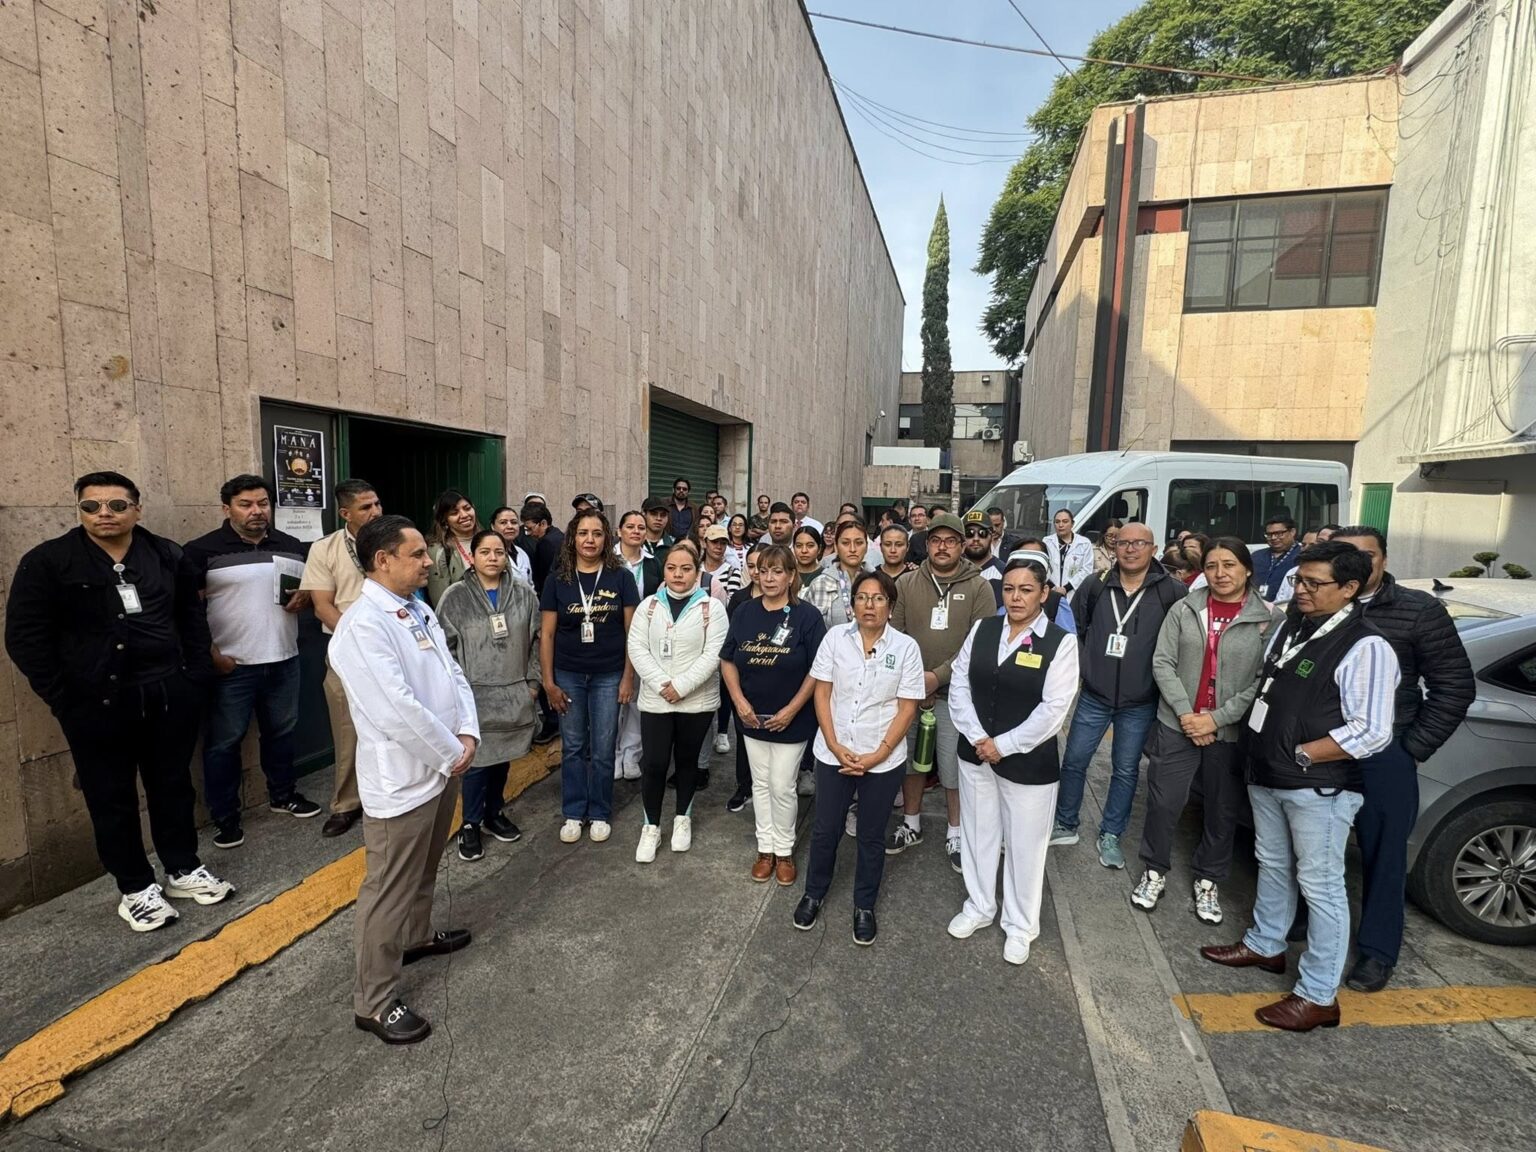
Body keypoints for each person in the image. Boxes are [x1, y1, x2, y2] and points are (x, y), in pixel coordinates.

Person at [6, 471, 233, 931]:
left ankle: (182, 868)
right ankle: (134, 887)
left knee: (172, 785)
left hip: (169, 694)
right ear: (79, 510)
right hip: (95, 704)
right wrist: (64, 698)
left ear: (137, 509)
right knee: (111, 798)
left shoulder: (167, 555)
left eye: (115, 505)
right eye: (91, 506)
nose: (103, 514)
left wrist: (193, 679)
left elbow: (191, 619)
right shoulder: (49, 562)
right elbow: (26, 639)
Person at [1202, 541, 1399, 1033]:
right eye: (1299, 580)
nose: (1302, 590)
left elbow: (1372, 730)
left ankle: (1317, 996)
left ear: (1350, 588)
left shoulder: (1366, 645)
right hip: (1267, 774)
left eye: (1315, 583)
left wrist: (1305, 754)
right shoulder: (1295, 624)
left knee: (1321, 886)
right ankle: (1266, 944)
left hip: (1318, 787)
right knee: (1272, 863)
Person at [328, 515, 479, 1045]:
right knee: (388, 889)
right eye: (416, 554)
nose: (426, 562)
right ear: (383, 560)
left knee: (424, 869)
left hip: (442, 766)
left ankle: (415, 938)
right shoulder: (362, 628)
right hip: (405, 781)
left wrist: (468, 732)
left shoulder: (415, 608)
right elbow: (396, 710)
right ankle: (374, 1001)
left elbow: (451, 672)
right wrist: (451, 753)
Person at [1330, 526, 1475, 992]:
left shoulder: (1419, 610)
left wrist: (1410, 749)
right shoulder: (1324, 604)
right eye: (1346, 556)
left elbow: (1454, 688)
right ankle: (1303, 928)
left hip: (1383, 753)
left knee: (1383, 856)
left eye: (1366, 555)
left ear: (1384, 560)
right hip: (1328, 750)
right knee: (1316, 849)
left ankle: (1376, 952)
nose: (1358, 563)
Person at [1132, 537, 1275, 923]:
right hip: (1177, 724)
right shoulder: (1185, 608)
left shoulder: (1267, 619)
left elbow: (1262, 680)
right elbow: (1162, 662)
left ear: (1247, 569)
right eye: (1212, 565)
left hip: (1227, 731)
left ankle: (1208, 879)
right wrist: (1187, 715)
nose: (1220, 573)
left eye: (1229, 565)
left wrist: (1216, 719)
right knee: (1164, 802)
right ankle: (1153, 869)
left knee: (1222, 808)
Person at [947, 556, 1080, 966]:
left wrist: (1002, 745)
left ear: (1043, 593)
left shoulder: (1061, 642)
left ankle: (1021, 925)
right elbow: (959, 684)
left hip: (1027, 764)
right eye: (1008, 588)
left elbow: (1053, 710)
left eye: (1026, 589)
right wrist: (978, 738)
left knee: (1024, 846)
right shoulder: (983, 630)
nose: (1016, 596)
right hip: (976, 754)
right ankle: (980, 905)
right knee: (978, 832)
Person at [182, 474, 320, 850]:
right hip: (232, 666)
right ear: (226, 509)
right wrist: (213, 656)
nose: (257, 511)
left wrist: (305, 597)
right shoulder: (201, 550)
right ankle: (225, 817)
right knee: (224, 743)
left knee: (281, 732)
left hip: (284, 659)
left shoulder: (291, 546)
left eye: (263, 503)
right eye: (246, 504)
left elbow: (304, 593)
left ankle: (283, 795)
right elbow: (187, 611)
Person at [794, 570, 925, 944]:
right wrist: (835, 747)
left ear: (891, 605)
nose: (870, 605)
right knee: (825, 829)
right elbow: (822, 693)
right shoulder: (836, 638)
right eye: (863, 597)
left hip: (881, 758)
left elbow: (906, 707)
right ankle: (814, 893)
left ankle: (864, 904)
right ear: (852, 604)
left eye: (879, 598)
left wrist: (877, 754)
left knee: (870, 834)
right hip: (834, 751)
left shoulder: (905, 648)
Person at [1050, 522, 1188, 868]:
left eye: (1139, 543)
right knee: (1074, 761)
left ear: (1153, 549)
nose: (1129, 549)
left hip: (1139, 701)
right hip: (1094, 695)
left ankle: (1111, 833)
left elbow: (1179, 643)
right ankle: (1066, 822)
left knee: (1125, 770)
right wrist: (1087, 665)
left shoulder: (1171, 591)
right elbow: (1076, 628)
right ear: (1113, 547)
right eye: (1122, 542)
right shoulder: (1095, 585)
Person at [890, 513, 997, 871]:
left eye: (951, 540)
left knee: (953, 767)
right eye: (936, 540)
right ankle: (911, 823)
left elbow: (977, 643)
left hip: (956, 695)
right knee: (911, 762)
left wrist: (936, 677)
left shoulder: (980, 586)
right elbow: (898, 636)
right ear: (927, 543)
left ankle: (955, 832)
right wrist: (914, 682)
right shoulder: (907, 583)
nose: (942, 546)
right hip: (910, 692)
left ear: (963, 544)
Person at [720, 544, 825, 879]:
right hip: (751, 717)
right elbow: (727, 659)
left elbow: (818, 669)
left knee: (782, 785)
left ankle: (785, 850)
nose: (768, 578)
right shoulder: (744, 612)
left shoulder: (807, 616)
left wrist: (792, 710)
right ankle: (765, 847)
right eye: (763, 570)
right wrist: (739, 702)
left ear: (792, 575)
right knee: (761, 784)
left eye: (777, 571)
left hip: (791, 720)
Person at [438, 529, 541, 862]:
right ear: (474, 556)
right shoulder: (455, 596)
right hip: (474, 693)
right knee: (477, 762)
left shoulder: (524, 594)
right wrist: (457, 690)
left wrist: (533, 682)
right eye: (486, 552)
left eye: (499, 552)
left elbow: (538, 640)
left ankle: (494, 812)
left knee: (503, 759)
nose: (493, 558)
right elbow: (444, 648)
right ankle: (470, 823)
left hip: (513, 690)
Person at [540, 510, 639, 843]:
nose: (590, 540)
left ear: (607, 538)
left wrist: (628, 677)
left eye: (597, 534)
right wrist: (548, 681)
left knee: (602, 746)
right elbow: (548, 635)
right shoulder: (558, 580)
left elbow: (632, 632)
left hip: (608, 674)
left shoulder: (621, 578)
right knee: (573, 746)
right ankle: (573, 811)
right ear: (573, 537)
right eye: (583, 533)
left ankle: (598, 811)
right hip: (567, 674)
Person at [627, 541, 728, 862]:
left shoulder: (712, 608)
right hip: (657, 702)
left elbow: (714, 653)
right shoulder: (648, 607)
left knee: (687, 764)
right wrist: (660, 683)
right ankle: (651, 826)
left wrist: (681, 686)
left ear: (697, 572)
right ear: (664, 571)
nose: (678, 574)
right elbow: (637, 648)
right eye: (671, 568)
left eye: (686, 568)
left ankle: (682, 818)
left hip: (694, 703)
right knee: (654, 764)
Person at [300, 478, 384, 836]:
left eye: (377, 503)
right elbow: (322, 606)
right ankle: (347, 803)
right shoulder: (325, 548)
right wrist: (357, 640)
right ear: (345, 513)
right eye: (366, 507)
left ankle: (391, 794)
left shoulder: (395, 539)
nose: (376, 512)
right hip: (347, 651)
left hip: (393, 646)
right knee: (347, 728)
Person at [613, 510, 663, 782]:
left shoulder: (654, 563)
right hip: (611, 636)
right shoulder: (607, 561)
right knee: (613, 699)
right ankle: (611, 755)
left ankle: (631, 754)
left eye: (640, 527)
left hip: (645, 639)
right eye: (629, 526)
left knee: (636, 701)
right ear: (619, 531)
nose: (635, 531)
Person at [805, 519, 870, 630]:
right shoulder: (820, 584)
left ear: (867, 546)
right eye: (845, 543)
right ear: (836, 546)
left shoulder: (877, 582)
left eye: (859, 543)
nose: (853, 549)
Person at [425, 489, 480, 607]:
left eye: (467, 508)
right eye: (454, 513)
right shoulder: (438, 551)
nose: (464, 515)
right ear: (444, 520)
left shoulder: (490, 541)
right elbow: (442, 602)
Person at [1048, 509, 1095, 598]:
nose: (1060, 525)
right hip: (1051, 592)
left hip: (1073, 592)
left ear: (1072, 524)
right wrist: (1053, 587)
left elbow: (1086, 570)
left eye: (1065, 521)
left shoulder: (1084, 543)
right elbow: (1042, 569)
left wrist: (1066, 588)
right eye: (1057, 522)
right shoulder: (1047, 542)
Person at [962, 510, 1005, 609]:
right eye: (969, 533)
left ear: (992, 535)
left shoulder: (1004, 573)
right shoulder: (952, 569)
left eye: (982, 533)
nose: (976, 538)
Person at [1253, 516, 1301, 603]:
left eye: (1279, 533)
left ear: (1292, 532)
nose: (1273, 538)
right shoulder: (1257, 556)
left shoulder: (1301, 556)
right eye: (1269, 535)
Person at [519, 502, 563, 595]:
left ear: (543, 524)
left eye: (530, 528)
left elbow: (545, 578)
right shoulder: (558, 534)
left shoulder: (546, 543)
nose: (529, 533)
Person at [488, 505, 536, 586]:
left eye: (514, 522)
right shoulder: (488, 555)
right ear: (493, 526)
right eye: (503, 522)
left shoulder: (522, 553)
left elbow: (530, 585)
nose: (510, 526)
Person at [700, 524, 740, 605]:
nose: (719, 546)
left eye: (723, 543)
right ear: (705, 543)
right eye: (714, 542)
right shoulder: (695, 570)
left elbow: (732, 604)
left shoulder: (732, 572)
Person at [791, 525, 824, 591]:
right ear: (793, 548)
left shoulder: (826, 575)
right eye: (799, 546)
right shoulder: (787, 574)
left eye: (810, 546)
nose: (804, 550)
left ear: (819, 549)